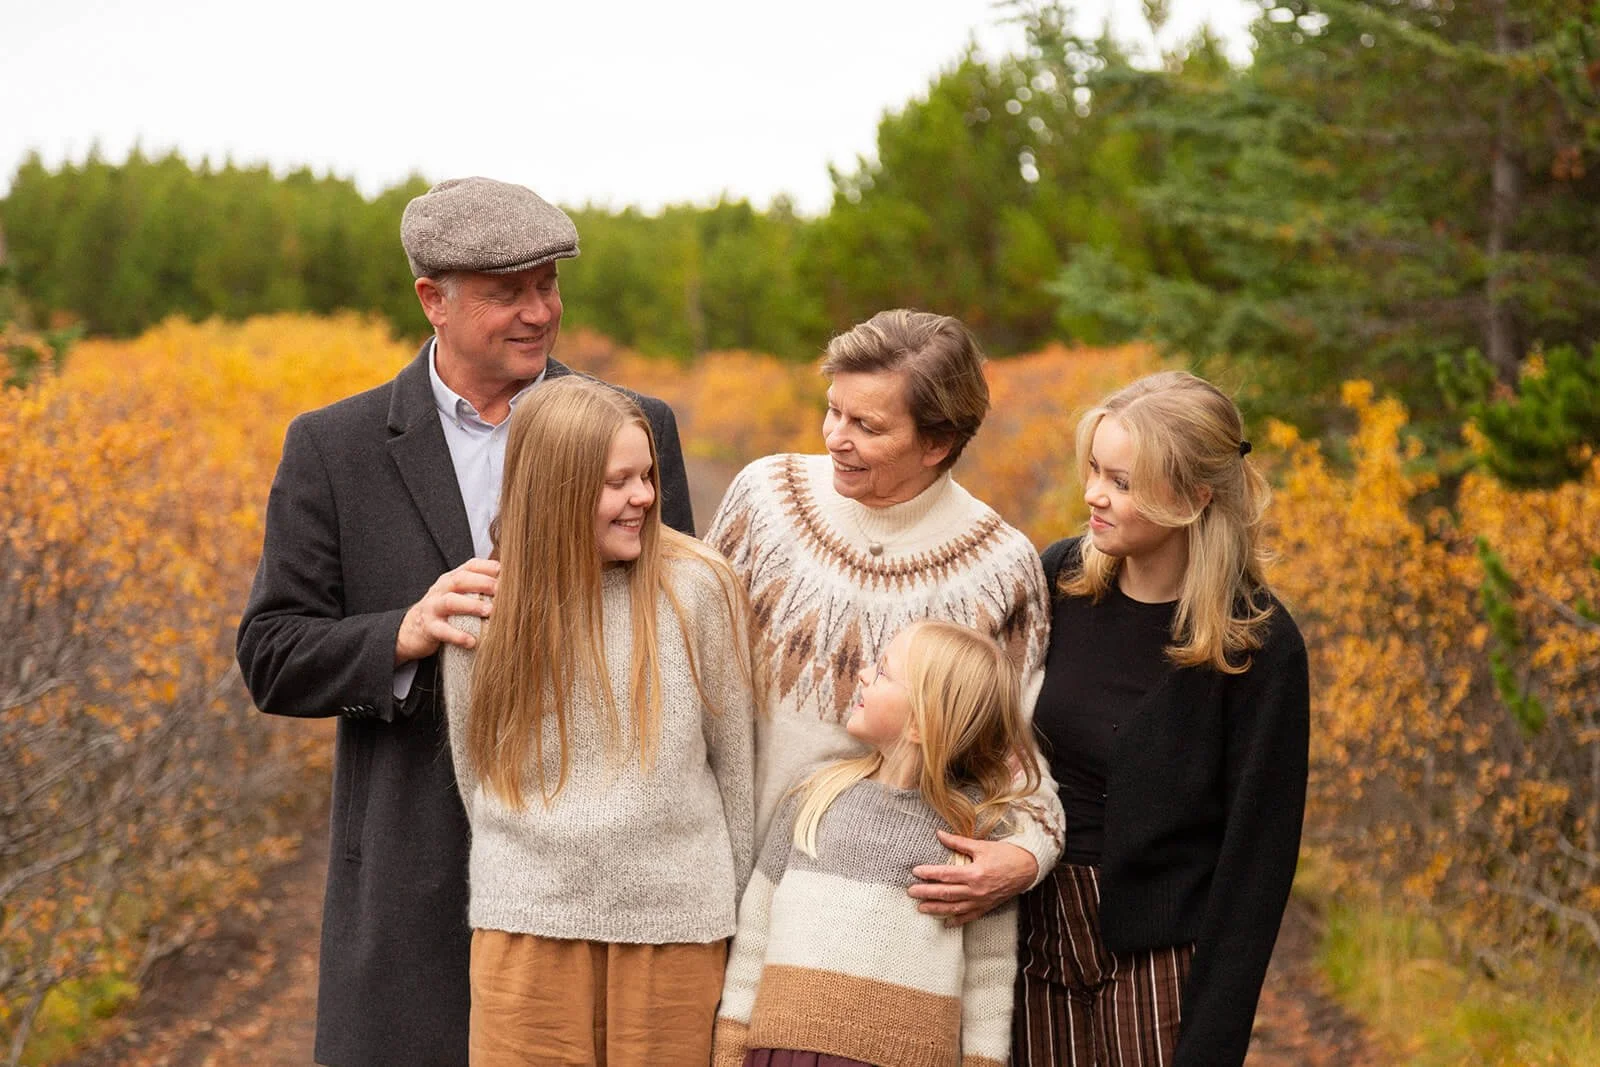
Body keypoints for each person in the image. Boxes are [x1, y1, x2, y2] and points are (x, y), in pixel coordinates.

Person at [234, 176, 694, 1066]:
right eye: (506, 293)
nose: (538, 312)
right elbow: (271, 652)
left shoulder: (640, 427)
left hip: (597, 878)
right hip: (414, 875)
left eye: (547, 285)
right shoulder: (335, 447)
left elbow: (676, 637)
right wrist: (402, 632)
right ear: (431, 301)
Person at [706, 308, 1063, 921]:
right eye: (833, 410)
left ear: (938, 443)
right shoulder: (763, 497)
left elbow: (1014, 758)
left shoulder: (1002, 567)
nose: (836, 437)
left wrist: (1029, 856)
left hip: (865, 918)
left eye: (867, 426)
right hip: (713, 879)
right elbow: (680, 661)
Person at [440, 377, 756, 1066]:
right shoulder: (479, 607)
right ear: (556, 488)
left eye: (646, 475)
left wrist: (733, 916)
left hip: (675, 933)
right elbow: (476, 773)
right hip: (525, 934)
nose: (644, 495)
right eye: (619, 481)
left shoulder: (700, 586)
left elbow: (737, 770)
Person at [1014, 371, 1310, 1067]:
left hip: (1158, 966)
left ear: (1193, 497)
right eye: (1094, 469)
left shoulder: (1256, 644)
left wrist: (1211, 1040)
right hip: (1035, 940)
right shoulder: (1058, 577)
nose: (1093, 494)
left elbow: (1256, 866)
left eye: (1121, 481)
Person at [713, 620, 1037, 1067]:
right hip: (782, 1050)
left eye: (883, 672)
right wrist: (730, 1043)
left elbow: (990, 972)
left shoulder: (979, 832)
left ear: (924, 722)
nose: (863, 674)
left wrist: (984, 1061)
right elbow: (755, 931)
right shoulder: (813, 794)